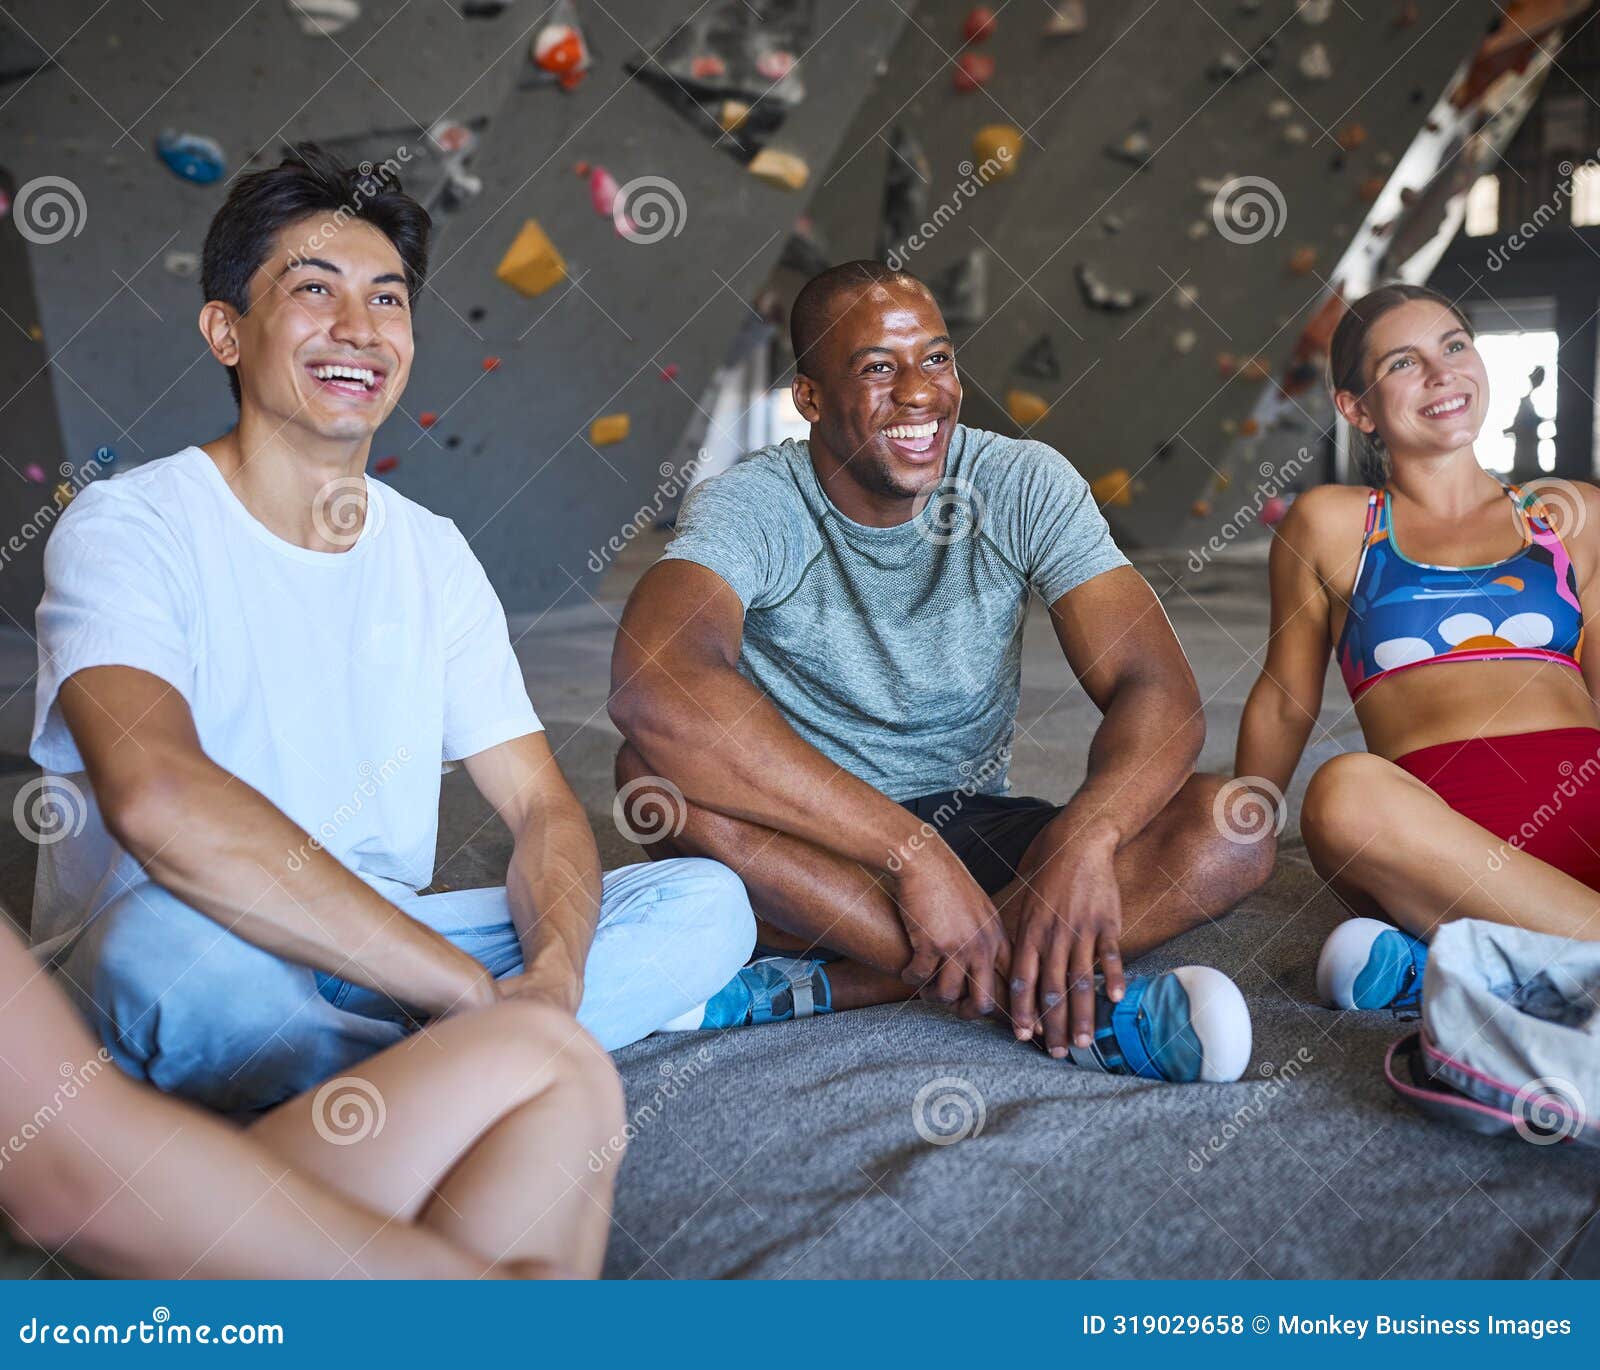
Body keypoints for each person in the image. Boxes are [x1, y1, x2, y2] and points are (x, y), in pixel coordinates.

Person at [30, 142, 755, 1116]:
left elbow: (542, 806)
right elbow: (158, 797)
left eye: (387, 299)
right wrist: (462, 990)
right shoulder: (128, 525)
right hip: (208, 928)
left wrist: (546, 974)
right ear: (226, 330)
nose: (357, 328)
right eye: (314, 289)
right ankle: (486, 1068)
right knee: (163, 964)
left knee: (703, 904)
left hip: (395, 938)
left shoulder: (432, 552)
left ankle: (396, 1084)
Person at [607, 260, 1271, 1084]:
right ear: (810, 398)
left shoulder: (1023, 482)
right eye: (878, 367)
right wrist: (909, 855)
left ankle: (857, 982)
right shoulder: (755, 504)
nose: (921, 393)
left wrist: (1086, 838)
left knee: (1232, 824)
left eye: (938, 358)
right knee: (653, 782)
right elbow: (656, 685)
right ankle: (1042, 988)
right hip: (814, 847)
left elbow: (1155, 687)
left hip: (974, 822)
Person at [1234, 283, 1600, 1013]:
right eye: (1404, 362)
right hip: (1430, 843)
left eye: (1454, 346)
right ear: (1357, 408)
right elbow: (1282, 700)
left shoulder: (1572, 514)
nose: (1441, 374)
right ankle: (1527, 955)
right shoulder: (1331, 524)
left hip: (1585, 812)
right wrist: (1234, 833)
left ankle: (1505, 955)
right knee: (1340, 791)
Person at [0, 917, 618, 1278]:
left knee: (552, 1040)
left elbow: (541, 801)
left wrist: (545, 971)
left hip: (370, 937)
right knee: (548, 1055)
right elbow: (70, 1184)